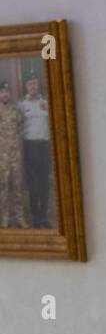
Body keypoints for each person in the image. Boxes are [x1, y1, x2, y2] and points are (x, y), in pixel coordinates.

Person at [19, 75, 53, 229]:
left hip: (44, 146)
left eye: (35, 84)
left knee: (44, 183)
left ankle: (44, 216)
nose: (32, 87)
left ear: (38, 86)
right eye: (30, 84)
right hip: (30, 146)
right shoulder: (21, 105)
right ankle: (35, 217)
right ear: (26, 87)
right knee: (33, 184)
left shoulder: (45, 104)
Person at [0, 82, 30, 229]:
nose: (4, 94)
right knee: (4, 187)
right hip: (1, 157)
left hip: (15, 155)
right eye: (2, 92)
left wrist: (16, 147)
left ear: (10, 94)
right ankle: (5, 218)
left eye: (6, 91)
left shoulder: (16, 110)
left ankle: (19, 217)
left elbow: (20, 128)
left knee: (17, 186)